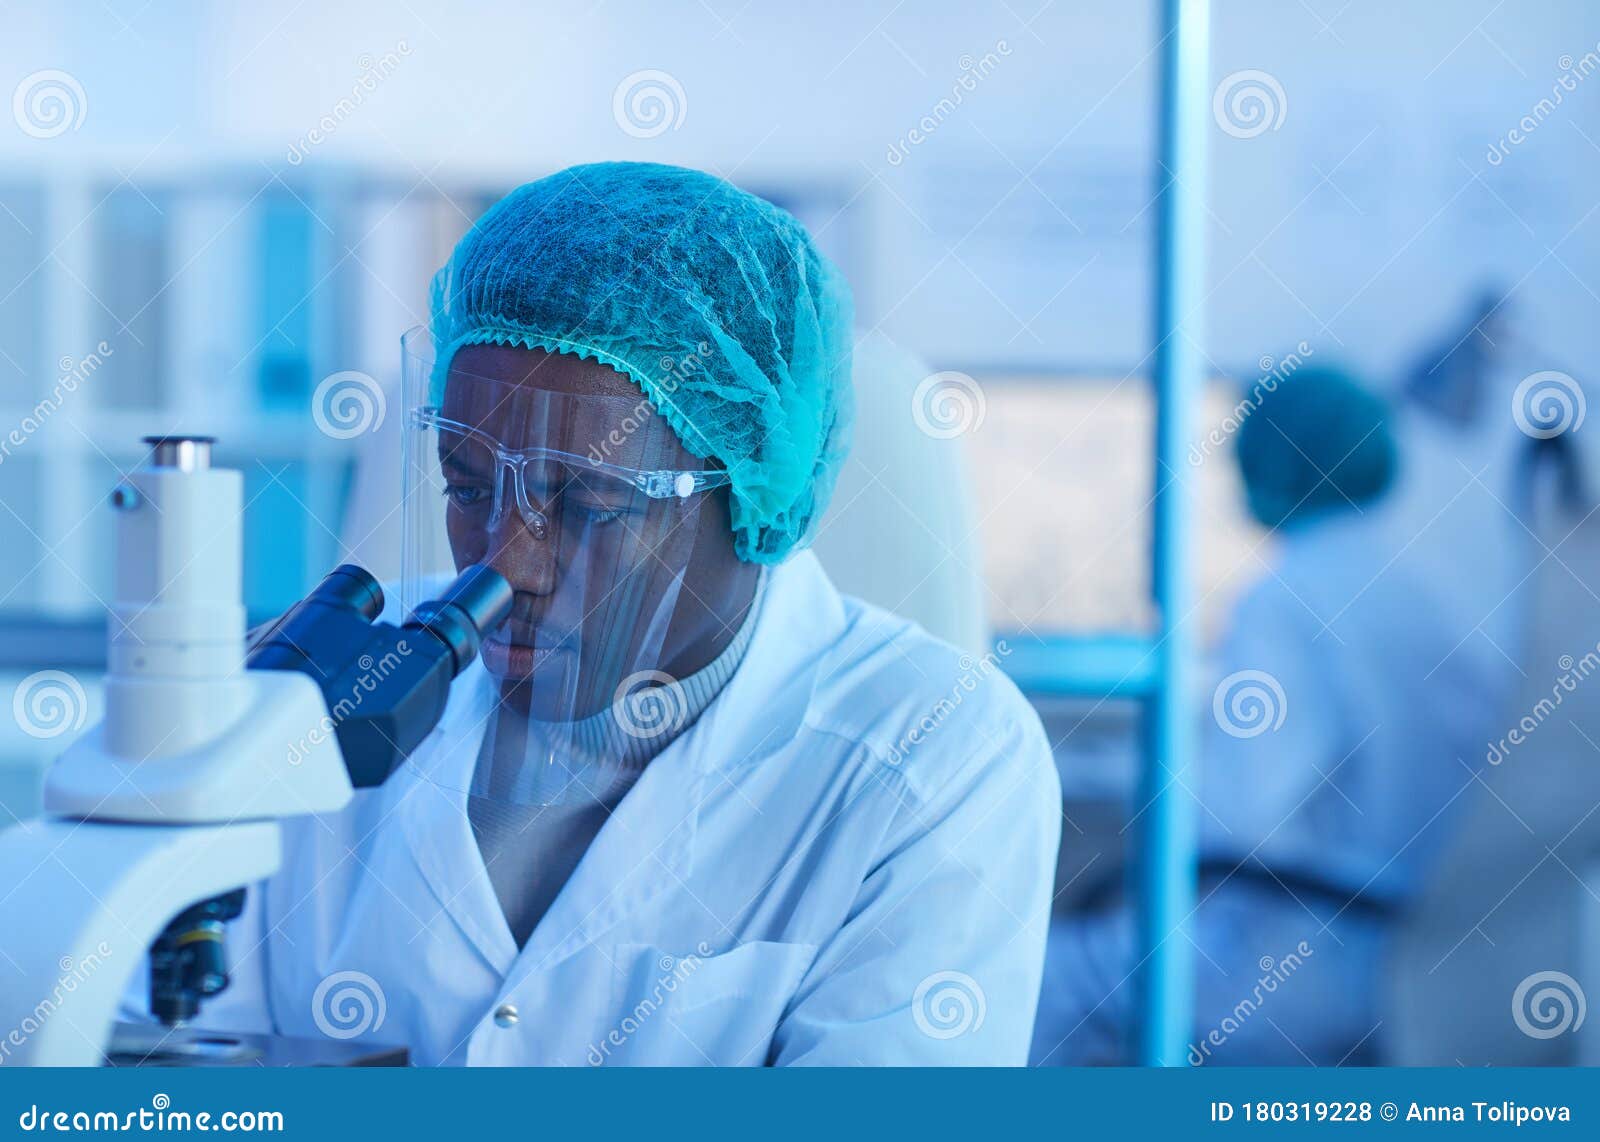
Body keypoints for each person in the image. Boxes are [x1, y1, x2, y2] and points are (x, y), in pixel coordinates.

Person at [125, 162, 1060, 1066]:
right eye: (466, 485)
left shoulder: (937, 755)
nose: (506, 562)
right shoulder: (324, 689)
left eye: (589, 505)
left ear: (748, 499)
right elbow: (143, 1047)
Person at [1032, 367, 1519, 1065]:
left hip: (1309, 957)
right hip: (1424, 952)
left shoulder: (1285, 599)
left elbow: (1233, 818)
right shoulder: (1427, 589)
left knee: (1035, 985)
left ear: (1279, 463)